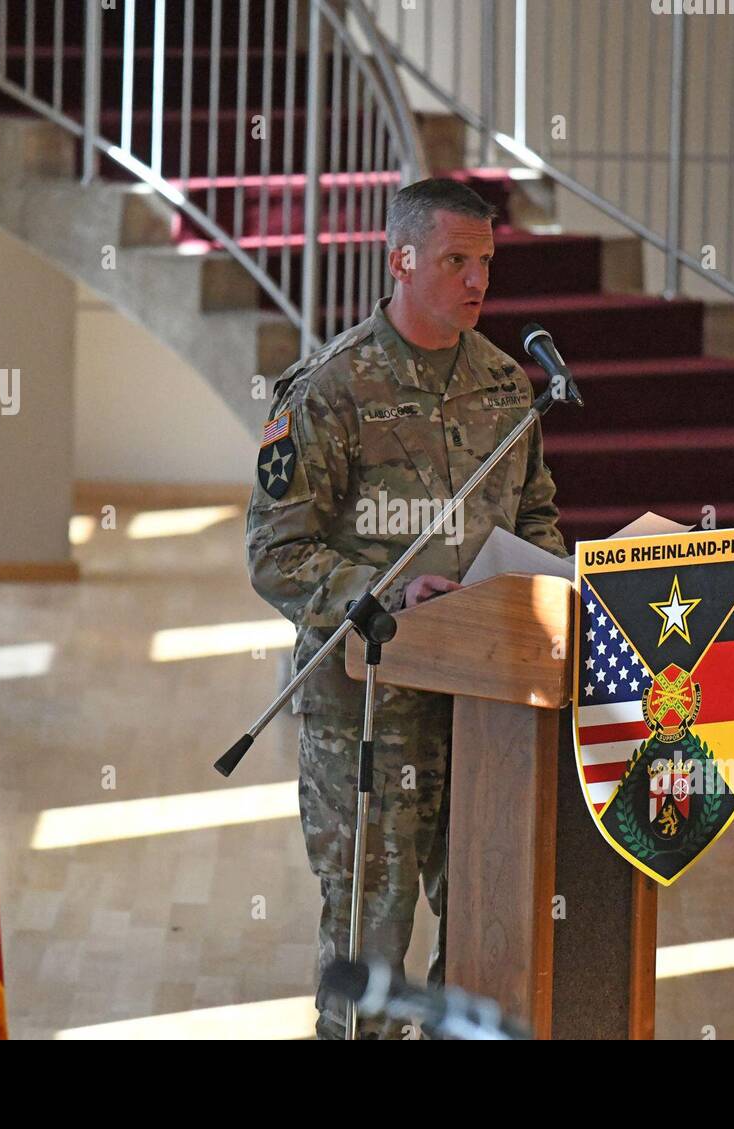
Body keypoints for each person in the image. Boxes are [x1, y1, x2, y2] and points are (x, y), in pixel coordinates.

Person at [245, 177, 565, 1039]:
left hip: (485, 713)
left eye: (486, 262)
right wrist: (387, 593)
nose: (476, 281)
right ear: (402, 259)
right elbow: (276, 553)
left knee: (482, 939)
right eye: (457, 260)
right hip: (369, 718)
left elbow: (534, 517)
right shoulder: (331, 389)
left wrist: (546, 575)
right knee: (370, 955)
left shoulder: (506, 389)